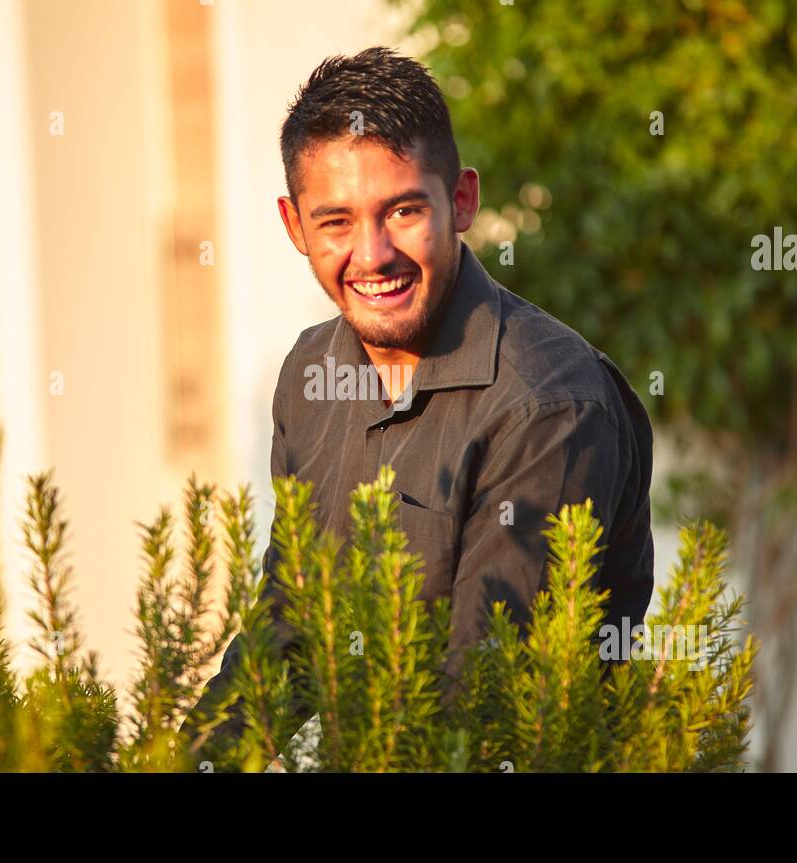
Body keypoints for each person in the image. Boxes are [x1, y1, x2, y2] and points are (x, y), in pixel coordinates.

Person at [184, 46, 655, 768]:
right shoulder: (311, 374)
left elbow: (483, 710)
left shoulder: (546, 406)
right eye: (335, 221)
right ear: (294, 226)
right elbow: (291, 626)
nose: (372, 256)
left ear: (460, 200)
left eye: (403, 211)